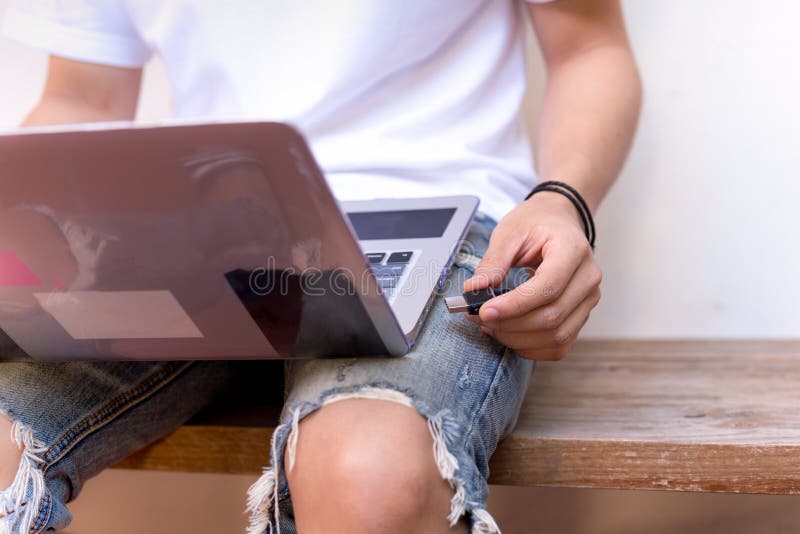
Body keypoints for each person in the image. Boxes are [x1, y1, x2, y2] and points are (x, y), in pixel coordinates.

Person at [0, 1, 641, 532]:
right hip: (196, 234)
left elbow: (588, 47)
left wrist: (563, 201)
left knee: (367, 478)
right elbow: (80, 100)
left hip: (435, 218)